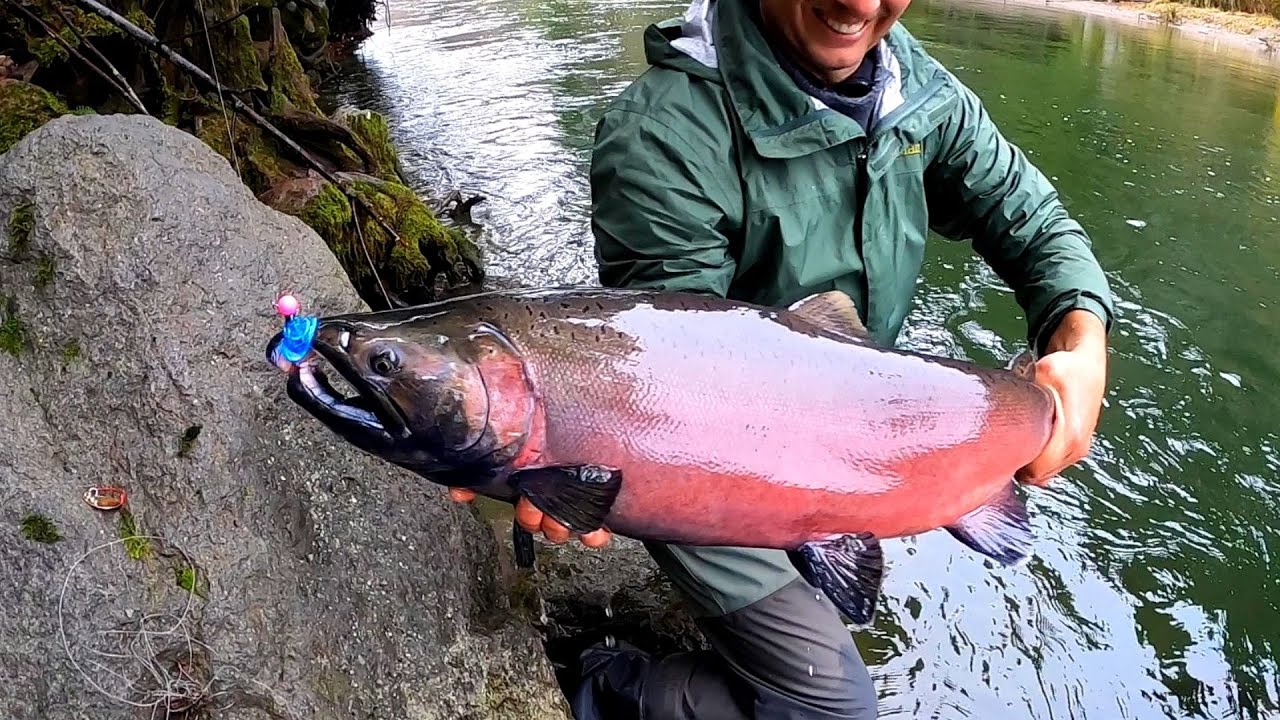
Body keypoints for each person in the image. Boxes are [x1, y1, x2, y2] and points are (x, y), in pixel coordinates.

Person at [451, 0, 1115, 717]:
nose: (862, 5)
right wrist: (567, 475)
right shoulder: (664, 136)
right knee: (834, 713)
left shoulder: (908, 86)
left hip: (846, 434)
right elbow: (672, 393)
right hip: (710, 461)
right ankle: (610, 685)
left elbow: (1036, 224)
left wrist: (1081, 341)